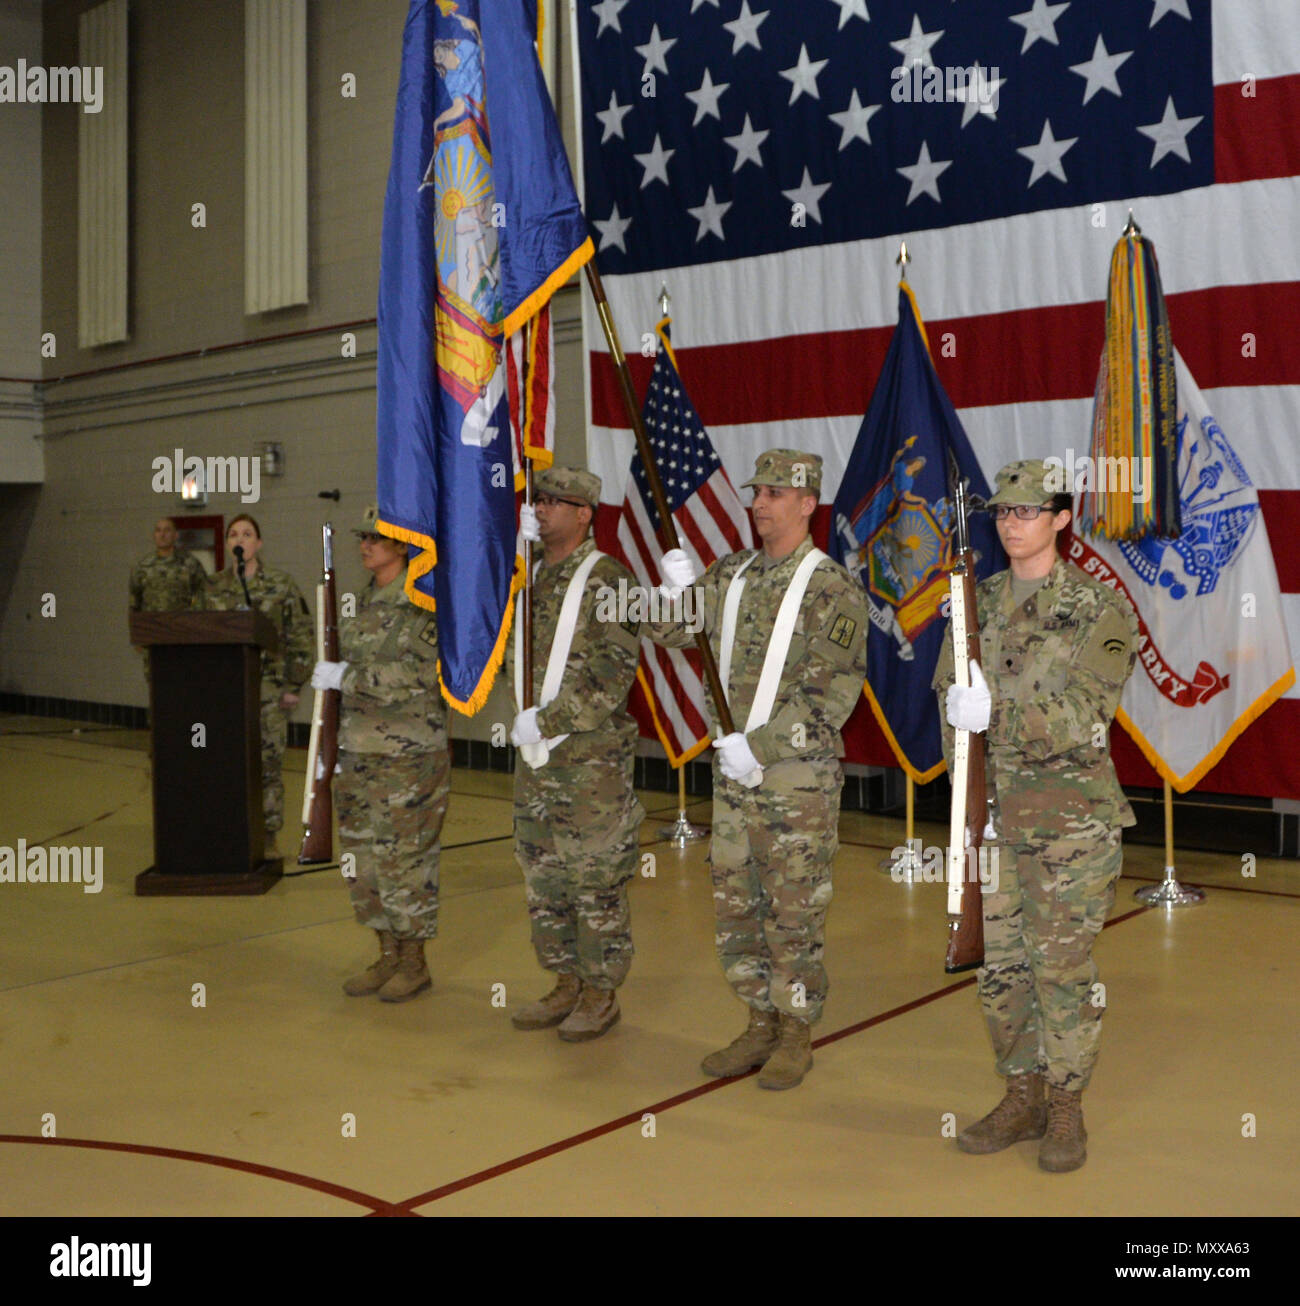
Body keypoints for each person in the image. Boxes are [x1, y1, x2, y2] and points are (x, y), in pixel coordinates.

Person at [933, 459, 1139, 1173]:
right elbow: (947, 701)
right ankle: (1021, 1091)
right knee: (1001, 972)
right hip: (990, 823)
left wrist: (1002, 715)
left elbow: (1087, 713)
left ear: (1060, 518)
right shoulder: (974, 601)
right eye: (1002, 512)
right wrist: (967, 791)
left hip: (1069, 826)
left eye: (1027, 511)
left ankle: (1065, 1106)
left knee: (1060, 970)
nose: (1011, 523)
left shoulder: (1099, 609)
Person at [646, 449, 868, 1089]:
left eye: (776, 492)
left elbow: (829, 700)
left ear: (808, 504)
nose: (761, 502)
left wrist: (760, 747)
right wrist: (670, 591)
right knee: (736, 903)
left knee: (794, 910)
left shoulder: (832, 587)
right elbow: (668, 629)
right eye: (758, 491)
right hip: (734, 781)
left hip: (794, 778)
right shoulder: (732, 575)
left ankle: (795, 1032)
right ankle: (757, 1022)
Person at [508, 466, 644, 1042]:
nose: (540, 510)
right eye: (536, 501)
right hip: (537, 760)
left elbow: (612, 677)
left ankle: (599, 992)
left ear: (585, 513)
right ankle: (564, 981)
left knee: (594, 879)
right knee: (544, 878)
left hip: (589, 763)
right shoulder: (529, 576)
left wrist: (548, 721)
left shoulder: (609, 579)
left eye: (553, 502)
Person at [311, 506, 449, 1002]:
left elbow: (417, 675)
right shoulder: (359, 601)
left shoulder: (423, 601)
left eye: (376, 538)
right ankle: (387, 952)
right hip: (358, 751)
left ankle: (415, 962)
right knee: (364, 861)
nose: (365, 545)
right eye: (362, 538)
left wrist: (345, 679)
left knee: (404, 862)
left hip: (408, 756)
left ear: (402, 544)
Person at [203, 514, 312, 858]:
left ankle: (267, 835)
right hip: (223, 692)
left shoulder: (281, 585)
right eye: (233, 534)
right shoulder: (211, 588)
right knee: (224, 765)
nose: (240, 539)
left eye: (248, 534)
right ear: (226, 544)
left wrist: (293, 684)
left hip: (268, 691)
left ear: (258, 544)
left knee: (268, 766)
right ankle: (228, 830)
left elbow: (302, 637)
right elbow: (194, 634)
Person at [129, 518, 208, 679]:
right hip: (153, 638)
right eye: (158, 530)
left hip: (182, 638)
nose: (162, 534)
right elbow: (134, 603)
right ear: (154, 535)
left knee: (183, 681)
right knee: (156, 684)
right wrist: (137, 636)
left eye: (167, 530)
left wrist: (196, 628)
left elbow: (205, 594)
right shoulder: (142, 567)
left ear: (175, 535)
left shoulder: (189, 564)